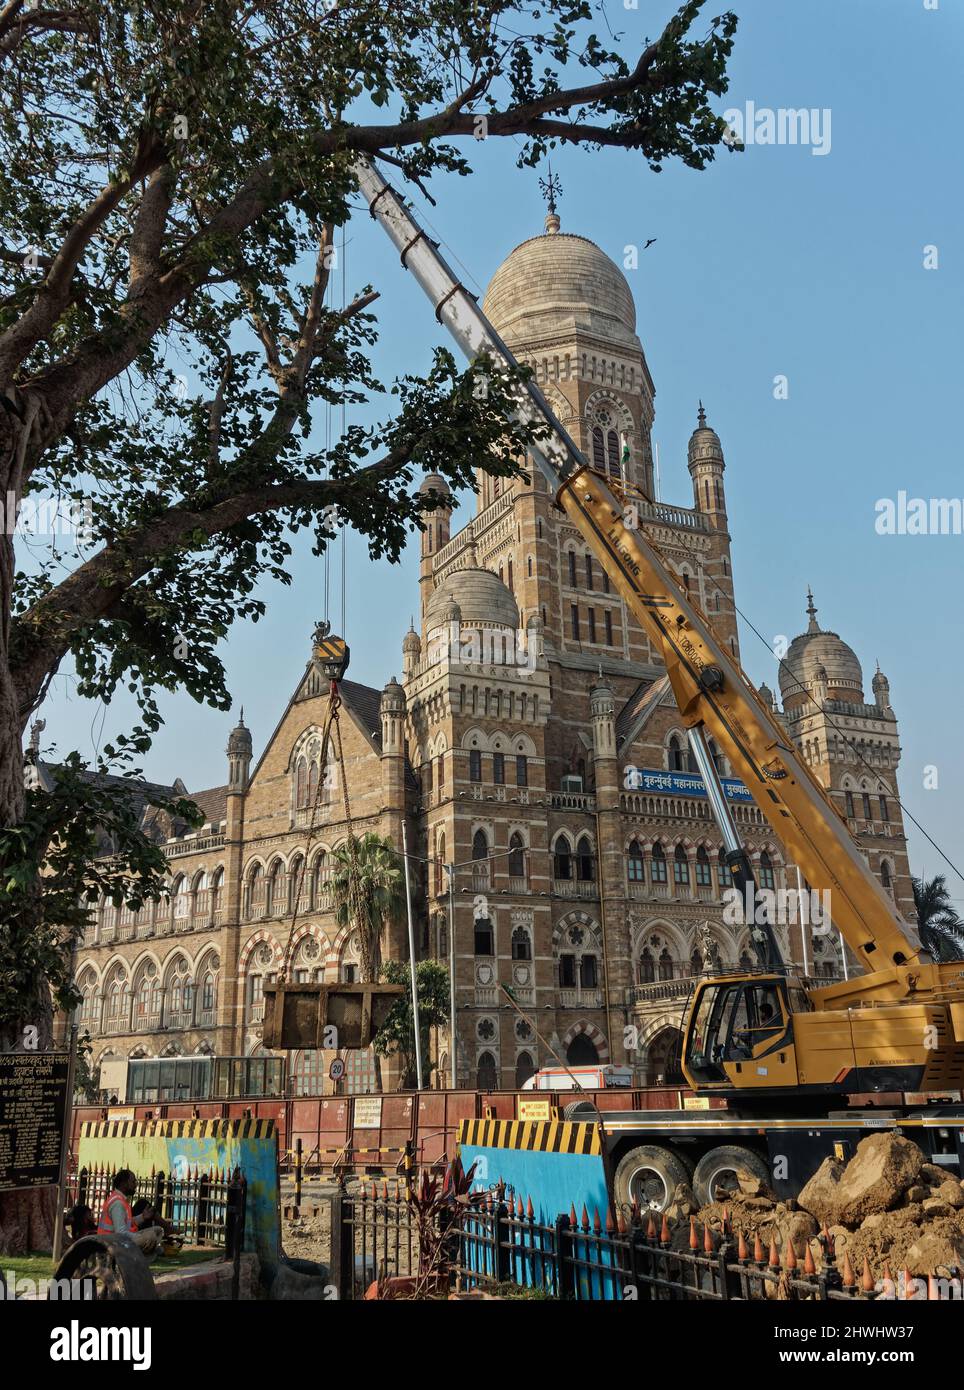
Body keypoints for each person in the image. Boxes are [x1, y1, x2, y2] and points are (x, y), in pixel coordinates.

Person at [96, 1169, 164, 1255]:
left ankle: (152, 1250)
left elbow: (127, 1223)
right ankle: (146, 1253)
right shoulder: (118, 1203)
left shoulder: (121, 1199)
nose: (136, 1185)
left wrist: (143, 1217)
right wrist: (139, 1237)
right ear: (124, 1184)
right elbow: (121, 1233)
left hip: (116, 1240)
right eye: (133, 1182)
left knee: (158, 1230)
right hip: (111, 1243)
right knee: (151, 1236)